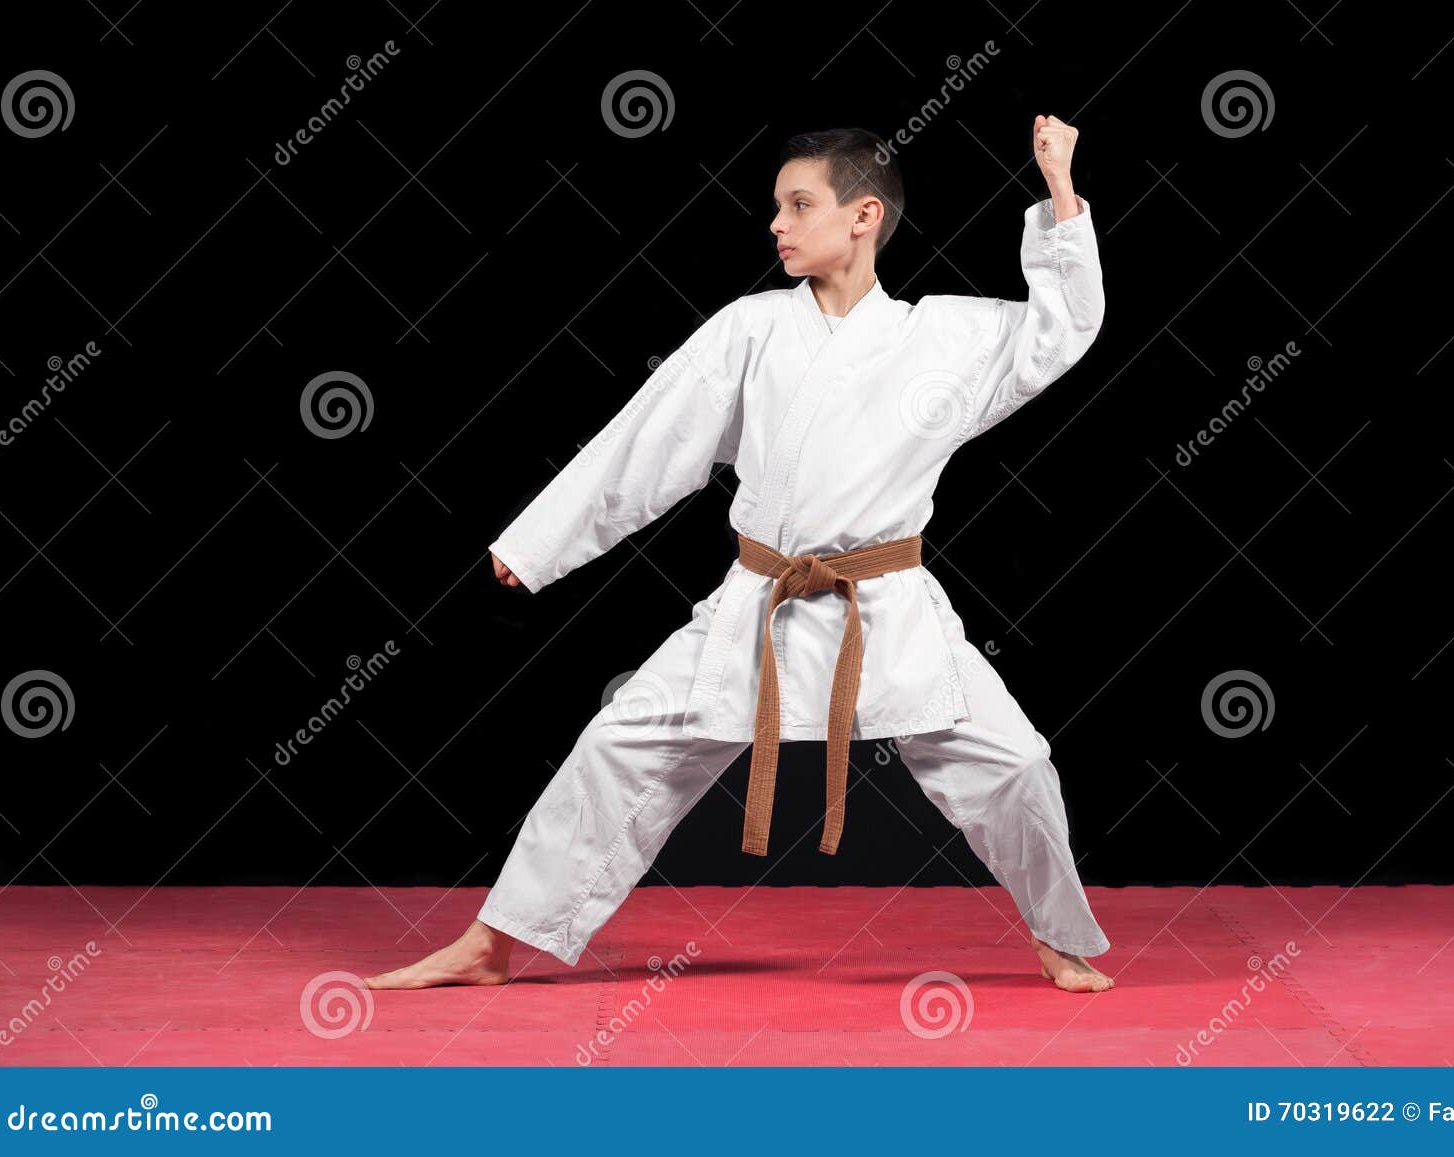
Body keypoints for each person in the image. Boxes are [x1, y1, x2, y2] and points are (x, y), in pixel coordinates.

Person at [365, 115, 1115, 993]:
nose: (778, 224)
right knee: (618, 745)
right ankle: (493, 943)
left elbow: (1059, 330)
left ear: (865, 215)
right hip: (760, 602)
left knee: (1016, 763)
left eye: (800, 205)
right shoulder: (751, 329)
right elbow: (650, 438)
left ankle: (1059, 936)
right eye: (777, 207)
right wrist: (541, 542)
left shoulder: (939, 337)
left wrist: (1060, 189)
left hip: (889, 607)